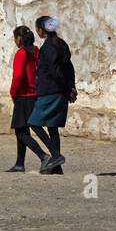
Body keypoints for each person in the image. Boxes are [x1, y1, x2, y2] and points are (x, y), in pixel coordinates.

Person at [27, 15, 77, 174]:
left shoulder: (48, 47)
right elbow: (69, 68)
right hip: (60, 92)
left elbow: (55, 72)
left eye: (37, 29)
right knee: (52, 128)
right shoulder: (61, 44)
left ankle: (55, 156)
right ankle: (57, 168)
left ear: (41, 30)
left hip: (50, 92)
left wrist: (67, 89)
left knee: (34, 123)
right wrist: (71, 87)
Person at [6, 26, 47, 172]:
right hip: (34, 94)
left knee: (21, 132)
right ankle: (19, 163)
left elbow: (17, 76)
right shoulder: (35, 52)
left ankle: (43, 156)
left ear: (19, 38)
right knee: (22, 129)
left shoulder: (21, 54)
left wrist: (13, 93)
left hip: (23, 96)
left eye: (15, 38)